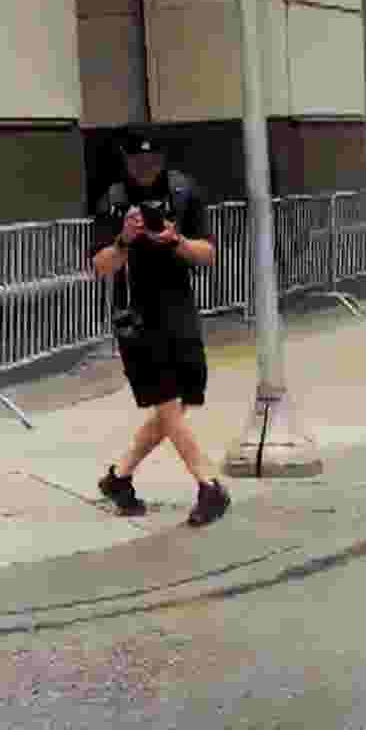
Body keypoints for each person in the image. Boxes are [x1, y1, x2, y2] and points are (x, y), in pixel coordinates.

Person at [90, 131, 231, 526]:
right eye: (138, 162)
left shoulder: (184, 192)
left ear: (163, 159)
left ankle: (119, 477)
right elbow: (99, 265)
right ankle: (208, 486)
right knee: (166, 402)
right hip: (136, 317)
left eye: (153, 162)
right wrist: (124, 240)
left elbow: (208, 253)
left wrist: (176, 240)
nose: (146, 169)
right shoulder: (115, 200)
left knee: (183, 401)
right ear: (127, 161)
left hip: (180, 310)